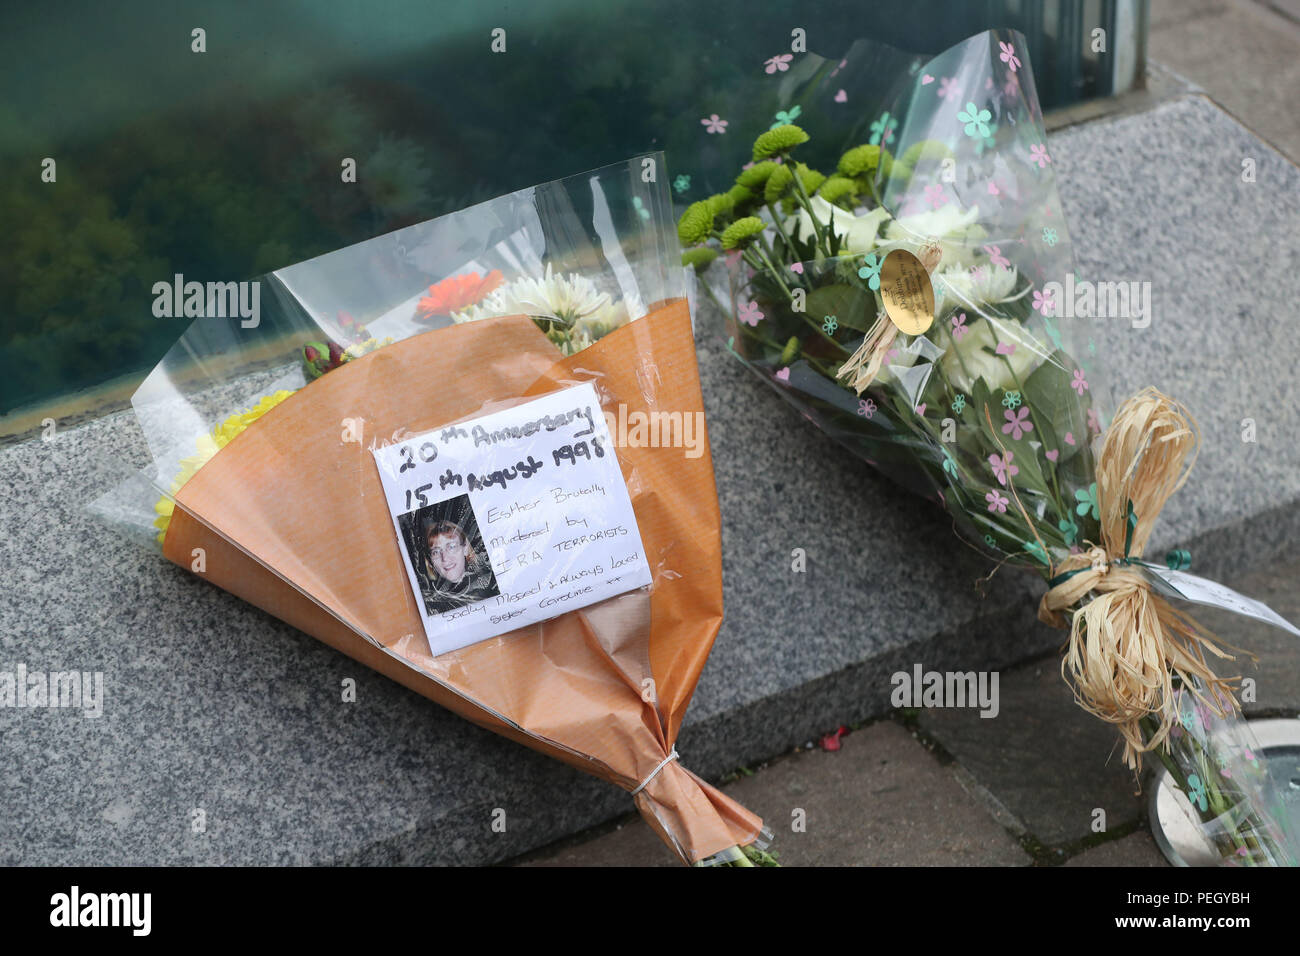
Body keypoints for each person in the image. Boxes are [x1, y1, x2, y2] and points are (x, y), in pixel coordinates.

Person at [420, 518, 497, 614]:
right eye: (436, 552)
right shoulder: (430, 603)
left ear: (464, 548)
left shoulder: (490, 584)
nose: (445, 558)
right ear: (430, 560)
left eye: (451, 547)